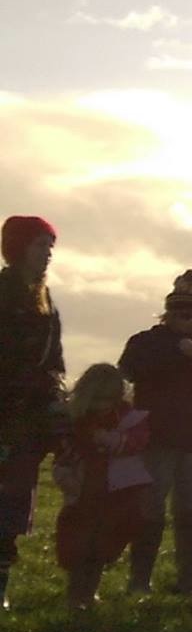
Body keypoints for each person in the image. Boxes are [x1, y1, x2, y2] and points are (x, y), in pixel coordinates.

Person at [118, 269, 192, 593]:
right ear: (169, 314)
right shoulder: (146, 342)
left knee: (190, 511)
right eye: (183, 314)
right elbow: (128, 369)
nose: (190, 321)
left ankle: (186, 582)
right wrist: (175, 354)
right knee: (150, 511)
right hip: (155, 439)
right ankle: (140, 582)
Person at [0, 215, 64, 610]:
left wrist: (55, 398)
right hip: (5, 414)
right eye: (41, 245)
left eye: (50, 247)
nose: (47, 254)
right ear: (19, 247)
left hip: (29, 420)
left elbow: (54, 358)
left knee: (11, 507)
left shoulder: (46, 298)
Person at [52, 364, 150, 610]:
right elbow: (63, 455)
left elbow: (138, 443)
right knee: (78, 545)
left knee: (103, 544)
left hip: (115, 494)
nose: (103, 405)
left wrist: (112, 440)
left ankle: (88, 593)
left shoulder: (129, 418)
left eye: (108, 399)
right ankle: (76, 596)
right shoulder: (74, 422)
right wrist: (64, 475)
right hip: (83, 492)